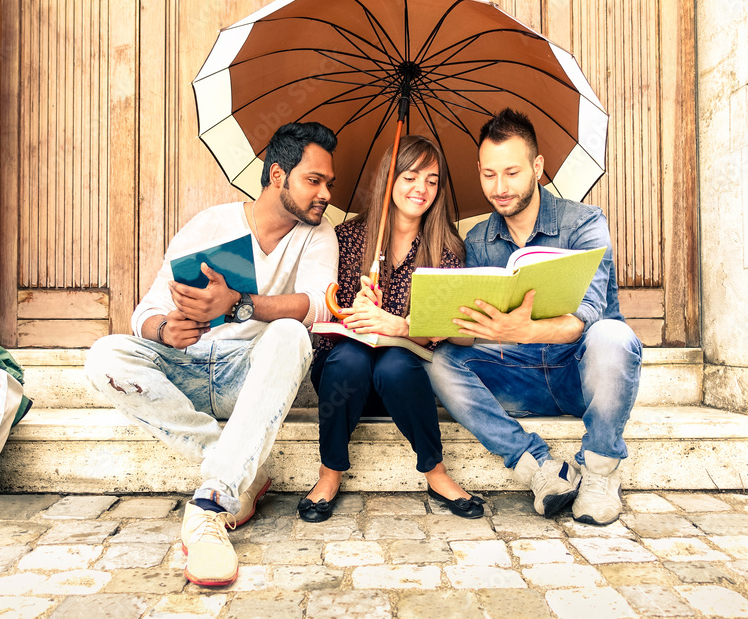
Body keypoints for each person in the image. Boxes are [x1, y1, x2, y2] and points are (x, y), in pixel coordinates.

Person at [85, 122, 339, 586]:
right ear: (278, 175)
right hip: (186, 367)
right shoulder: (211, 224)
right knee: (106, 355)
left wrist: (239, 304)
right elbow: (147, 310)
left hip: (249, 376)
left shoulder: (318, 234)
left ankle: (212, 501)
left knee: (291, 333)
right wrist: (165, 330)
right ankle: (238, 466)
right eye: (313, 180)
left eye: (328, 184)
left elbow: (321, 304)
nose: (324, 194)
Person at [424, 109, 642, 526]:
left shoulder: (584, 223)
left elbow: (590, 313)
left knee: (612, 335)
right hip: (518, 377)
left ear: (537, 168)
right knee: (439, 361)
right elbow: (470, 333)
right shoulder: (478, 240)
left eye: (511, 172)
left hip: (579, 375)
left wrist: (524, 328)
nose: (500, 188)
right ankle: (540, 469)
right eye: (489, 175)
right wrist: (449, 322)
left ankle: (598, 473)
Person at [298, 134, 485, 522]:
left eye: (432, 181)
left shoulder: (447, 249)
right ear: (390, 178)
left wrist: (398, 326)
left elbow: (458, 331)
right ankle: (329, 472)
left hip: (403, 388)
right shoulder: (347, 238)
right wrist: (354, 310)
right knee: (351, 359)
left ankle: (436, 472)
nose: (422, 189)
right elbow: (326, 314)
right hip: (344, 384)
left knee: (394, 363)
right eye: (411, 177)